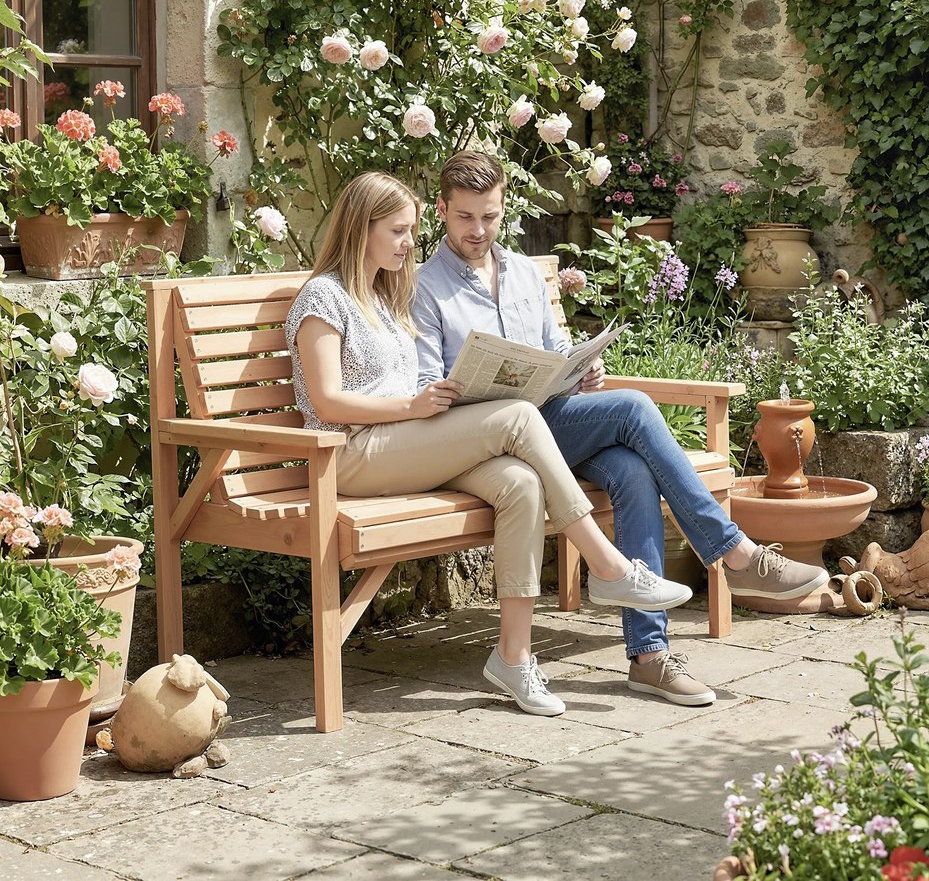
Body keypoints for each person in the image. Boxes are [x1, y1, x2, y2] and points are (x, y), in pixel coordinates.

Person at [413, 151, 829, 707]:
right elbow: (423, 385)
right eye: (465, 217)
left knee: (632, 471)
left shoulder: (523, 275)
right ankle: (735, 554)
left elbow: (552, 350)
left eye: (489, 216)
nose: (478, 230)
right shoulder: (423, 287)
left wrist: (578, 370)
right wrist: (455, 390)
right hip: (486, 442)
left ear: (503, 207)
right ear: (442, 210)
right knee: (633, 409)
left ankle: (649, 658)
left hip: (550, 424)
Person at [285, 171, 692, 718]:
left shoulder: (383, 294)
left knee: (520, 483)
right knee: (520, 416)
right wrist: (412, 405)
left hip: (408, 445)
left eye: (411, 230)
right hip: (350, 455)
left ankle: (513, 657)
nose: (410, 244)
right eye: (399, 232)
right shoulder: (323, 296)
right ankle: (608, 566)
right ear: (362, 229)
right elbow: (329, 402)